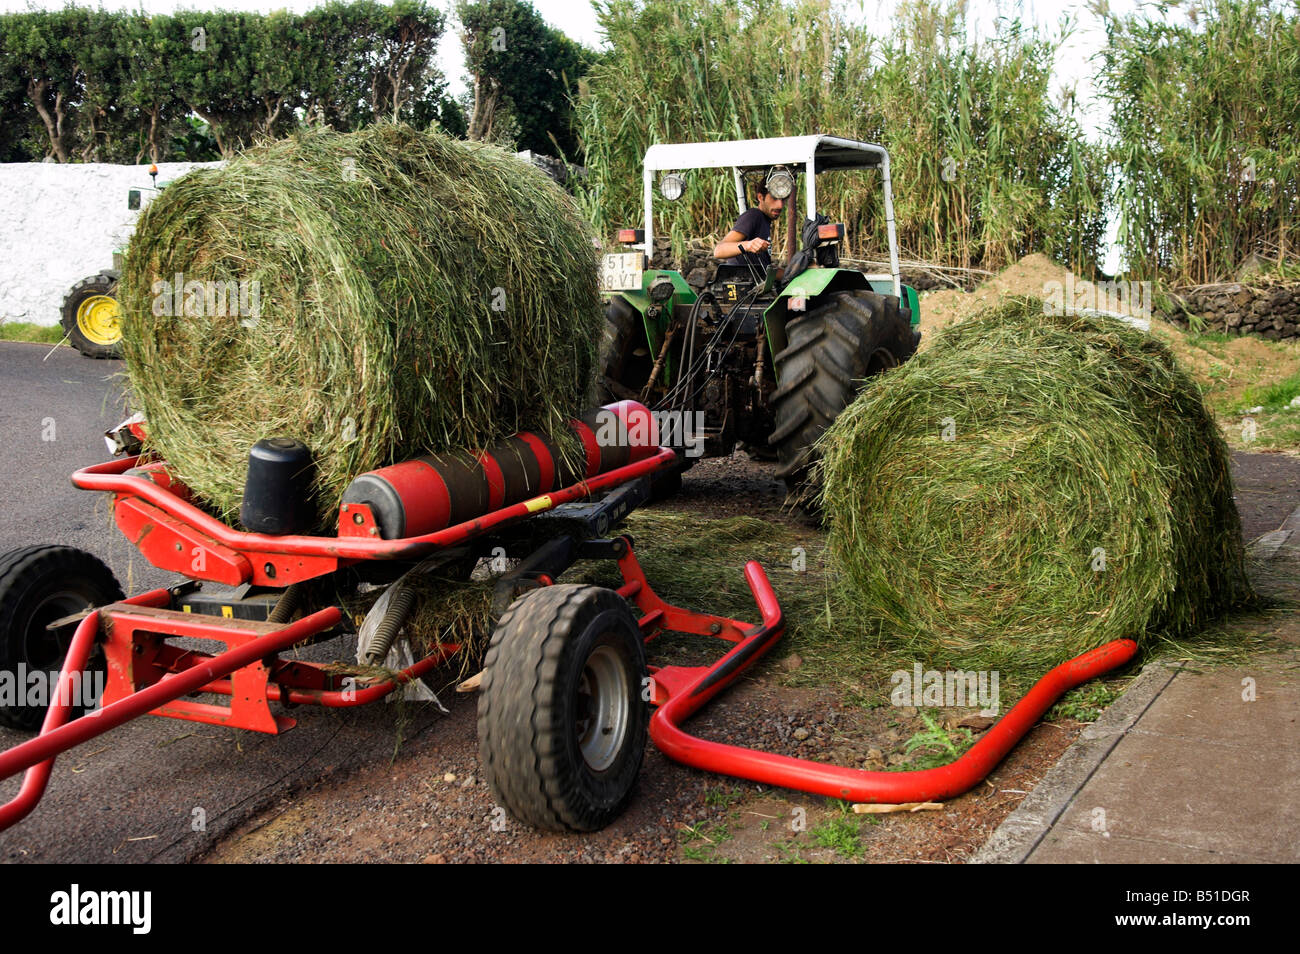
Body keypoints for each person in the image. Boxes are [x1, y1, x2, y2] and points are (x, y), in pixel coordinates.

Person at [713, 179, 785, 271]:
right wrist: (748, 245)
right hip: (741, 281)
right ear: (760, 197)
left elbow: (764, 271)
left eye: (783, 199)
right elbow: (719, 251)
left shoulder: (765, 221)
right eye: (774, 198)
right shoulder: (753, 216)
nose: (780, 205)